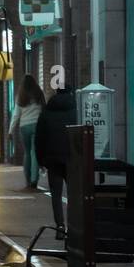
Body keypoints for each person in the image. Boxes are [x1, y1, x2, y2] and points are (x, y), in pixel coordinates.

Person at [35, 85, 77, 239]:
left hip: (52, 159)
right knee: (74, 195)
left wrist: (40, 160)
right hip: (72, 159)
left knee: (56, 195)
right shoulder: (76, 111)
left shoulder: (46, 112)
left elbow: (39, 138)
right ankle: (74, 227)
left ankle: (60, 227)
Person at [8, 74, 45, 191]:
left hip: (24, 127)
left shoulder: (21, 96)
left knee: (27, 153)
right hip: (37, 125)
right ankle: (34, 180)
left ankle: (27, 180)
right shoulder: (39, 94)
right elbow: (44, 110)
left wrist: (10, 130)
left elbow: (16, 114)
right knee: (35, 153)